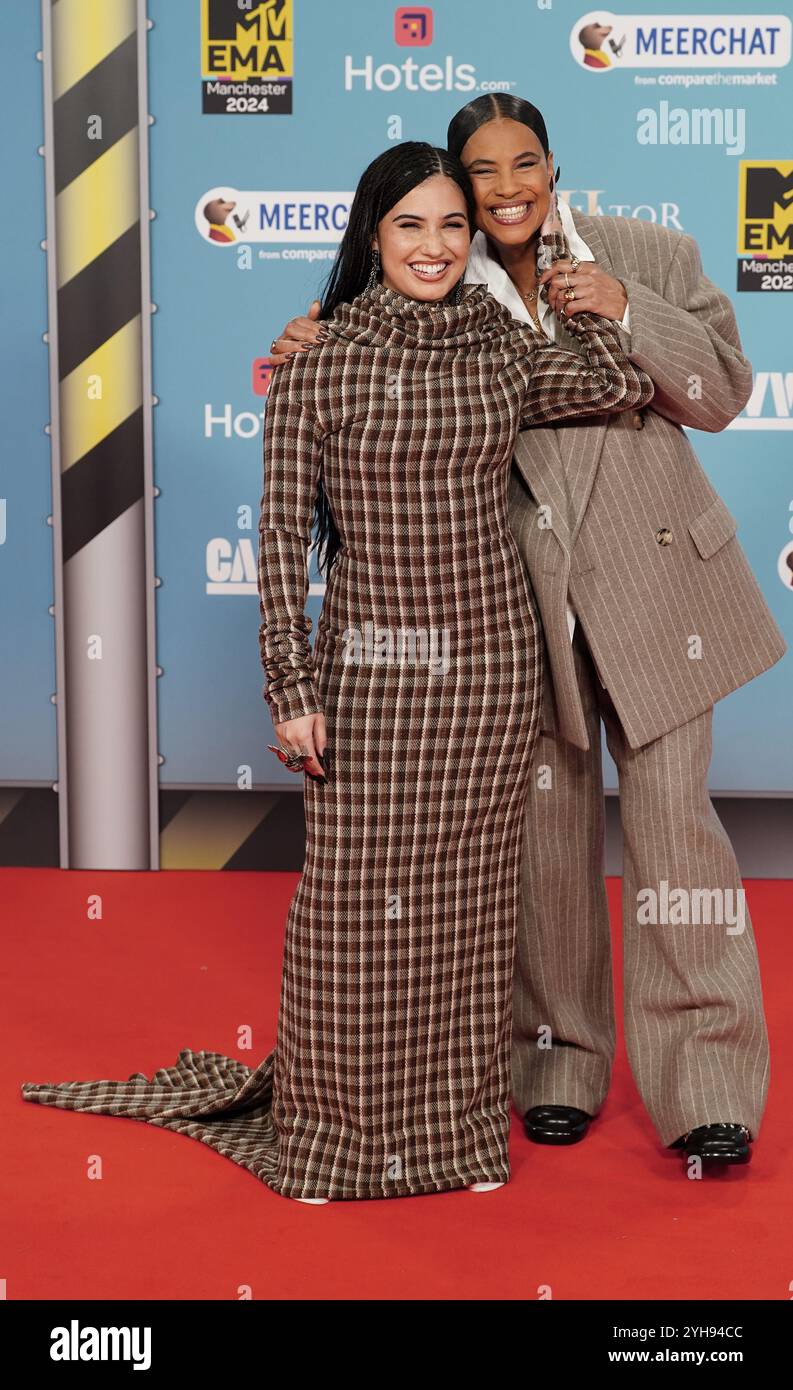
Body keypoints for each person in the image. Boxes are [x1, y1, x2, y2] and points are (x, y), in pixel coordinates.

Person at [19, 143, 653, 1202]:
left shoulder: (498, 345)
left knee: (467, 913)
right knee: (348, 914)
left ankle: (454, 1141)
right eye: (412, 225)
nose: (437, 245)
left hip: (491, 671)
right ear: (371, 235)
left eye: (455, 225)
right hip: (365, 673)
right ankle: (332, 1136)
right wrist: (291, 686)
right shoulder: (315, 359)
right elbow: (277, 537)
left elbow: (620, 378)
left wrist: (577, 282)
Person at [272, 95, 787, 1170]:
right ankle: (555, 1059)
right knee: (546, 854)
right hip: (521, 608)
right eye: (479, 174)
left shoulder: (647, 248)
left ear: (555, 165)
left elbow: (724, 392)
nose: (504, 190)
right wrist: (319, 332)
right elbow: (380, 389)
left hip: (659, 600)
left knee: (674, 840)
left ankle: (706, 1087)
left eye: (524, 164)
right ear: (451, 192)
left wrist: (628, 306)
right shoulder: (444, 289)